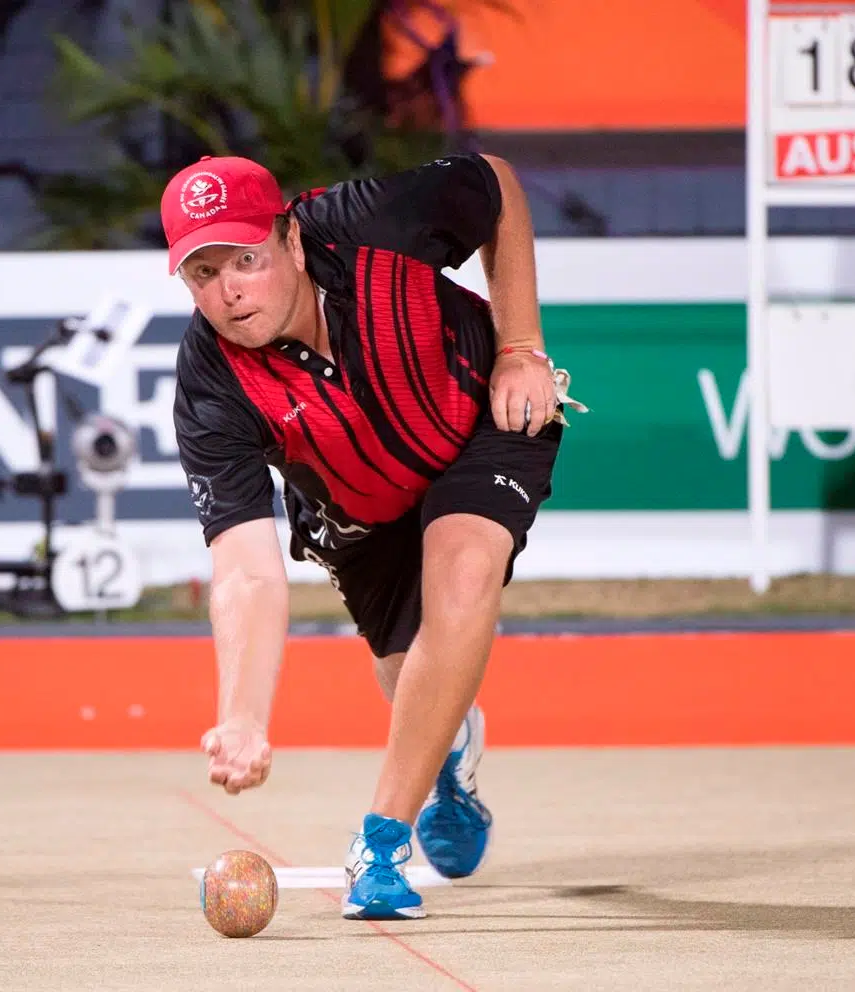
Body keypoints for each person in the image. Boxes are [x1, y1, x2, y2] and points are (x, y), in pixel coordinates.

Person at [162, 150, 585, 921]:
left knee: (463, 569)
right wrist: (244, 716)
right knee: (411, 680)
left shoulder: (372, 223)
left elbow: (497, 185)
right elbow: (246, 570)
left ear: (291, 238)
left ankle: (381, 841)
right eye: (202, 274)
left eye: (246, 260)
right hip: (360, 509)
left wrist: (521, 347)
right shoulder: (209, 383)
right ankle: (451, 752)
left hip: (480, 420)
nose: (228, 292)